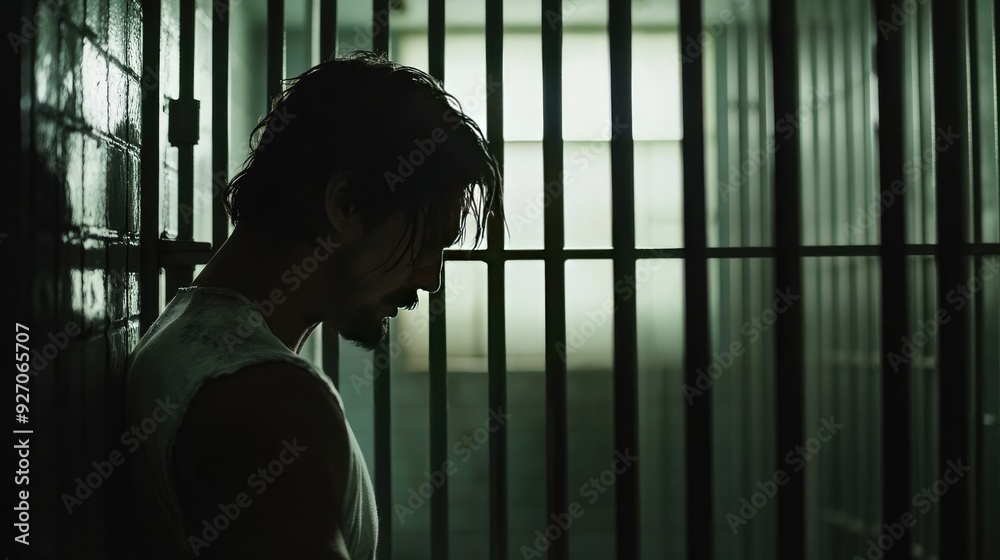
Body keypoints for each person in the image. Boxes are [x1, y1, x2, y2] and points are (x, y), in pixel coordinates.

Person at [125, 51, 502, 559]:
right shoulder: (273, 401)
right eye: (429, 239)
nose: (431, 278)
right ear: (344, 204)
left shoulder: (183, 333)